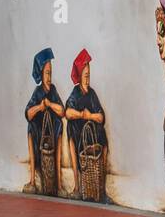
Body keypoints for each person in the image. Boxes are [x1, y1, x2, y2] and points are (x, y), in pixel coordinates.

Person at [64, 49, 107, 200]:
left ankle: (101, 188)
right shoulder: (76, 93)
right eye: (86, 76)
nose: (88, 79)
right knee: (70, 128)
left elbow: (101, 117)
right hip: (79, 137)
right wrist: (82, 115)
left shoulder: (92, 93)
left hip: (92, 137)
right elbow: (67, 112)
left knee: (102, 132)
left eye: (89, 76)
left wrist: (91, 116)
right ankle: (77, 186)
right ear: (80, 76)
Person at [24, 48, 64, 193]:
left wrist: (50, 104)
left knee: (60, 126)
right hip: (39, 133)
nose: (49, 77)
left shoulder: (52, 90)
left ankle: (59, 184)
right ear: (41, 74)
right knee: (30, 129)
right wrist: (40, 107)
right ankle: (32, 181)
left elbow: (62, 110)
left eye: (50, 73)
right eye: (47, 73)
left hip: (51, 131)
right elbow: (28, 114)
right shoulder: (38, 91)